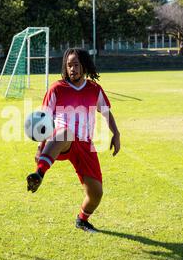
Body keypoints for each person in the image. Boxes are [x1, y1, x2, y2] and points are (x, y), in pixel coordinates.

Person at [26, 48, 121, 232]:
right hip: (62, 141)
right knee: (66, 133)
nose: (72, 69)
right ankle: (39, 174)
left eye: (76, 65)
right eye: (69, 65)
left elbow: (106, 113)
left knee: (96, 194)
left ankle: (82, 220)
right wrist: (40, 147)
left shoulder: (94, 89)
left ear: (83, 66)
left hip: (86, 145)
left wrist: (116, 134)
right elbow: (44, 119)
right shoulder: (56, 88)